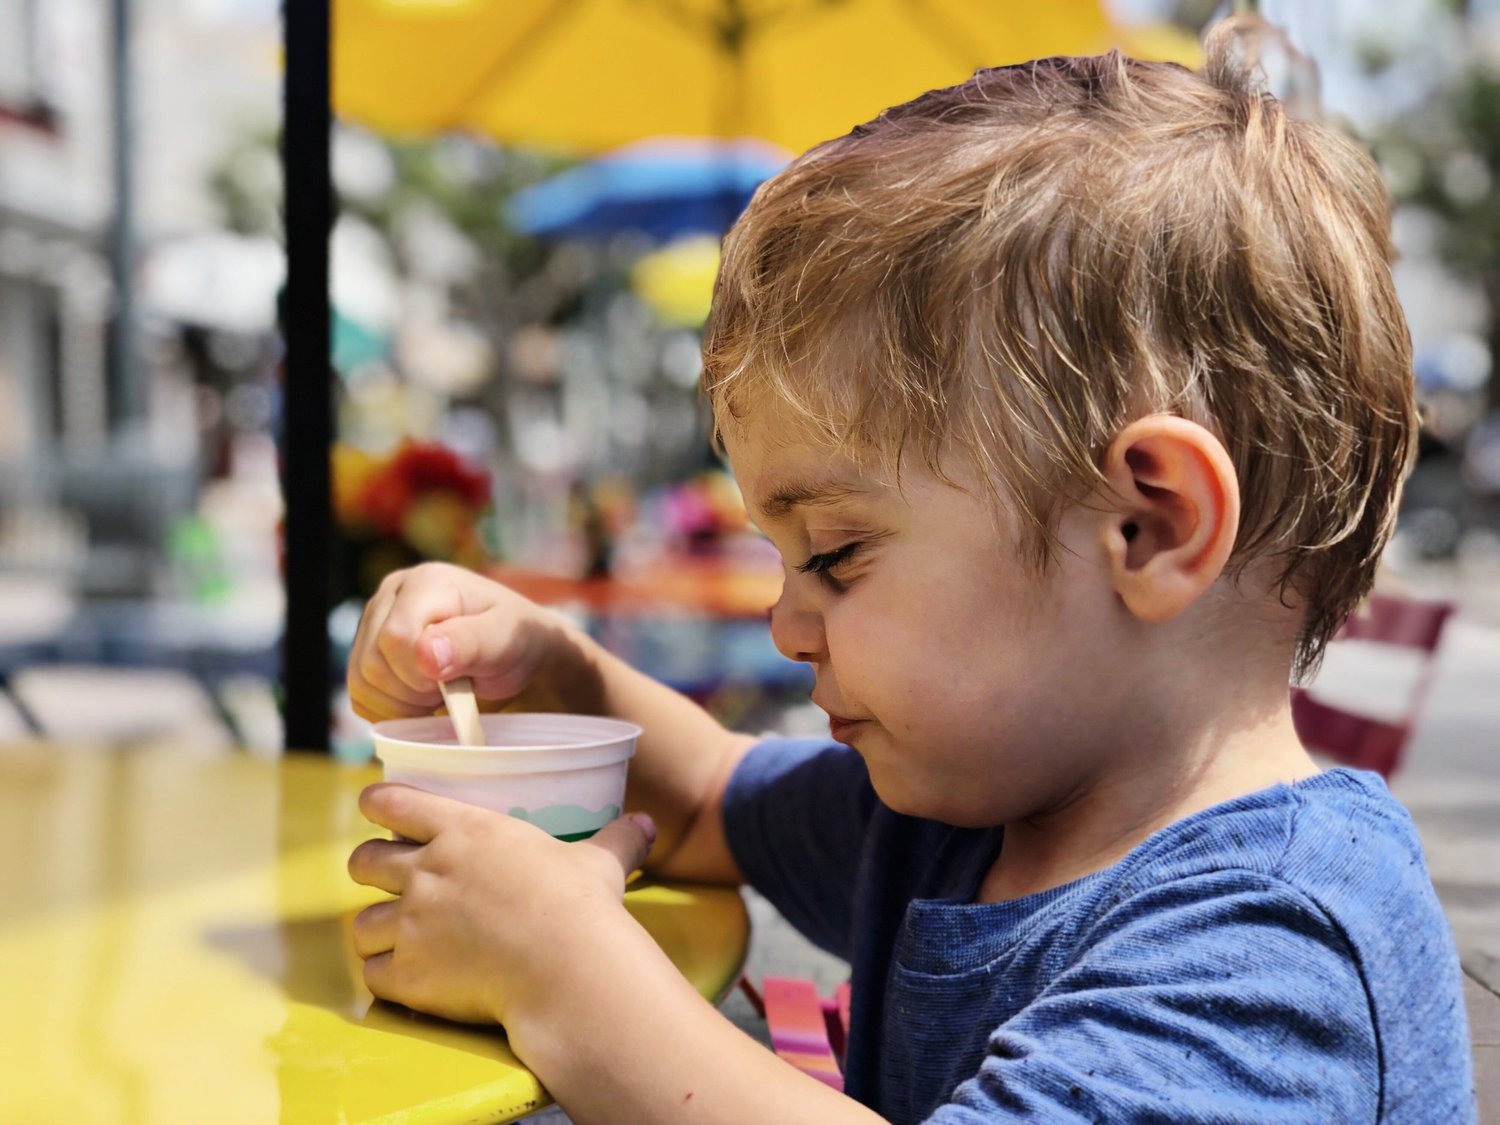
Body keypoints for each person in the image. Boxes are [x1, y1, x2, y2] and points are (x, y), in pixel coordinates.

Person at [344, 17, 1477, 1123]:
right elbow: (705, 800)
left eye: (835, 555)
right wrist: (547, 666)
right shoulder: (973, 800)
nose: (787, 625)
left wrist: (567, 978)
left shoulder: (1265, 952)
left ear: (1148, 525)